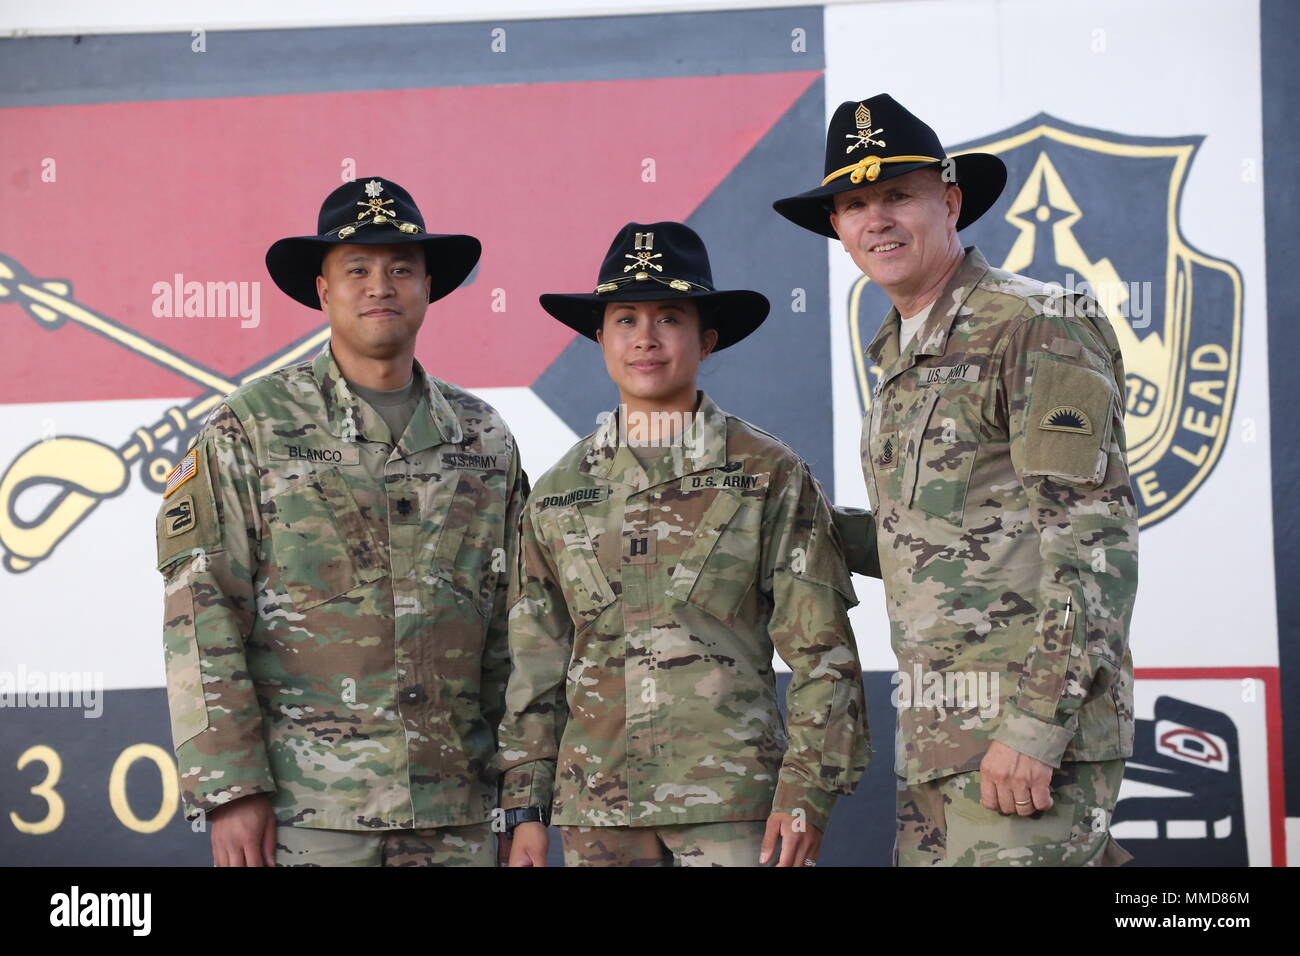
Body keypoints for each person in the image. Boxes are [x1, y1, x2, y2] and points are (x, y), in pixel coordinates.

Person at [774, 95, 1137, 866]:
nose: (878, 219)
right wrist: (784, 518)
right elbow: (936, 540)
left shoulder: (1036, 323)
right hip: (941, 740)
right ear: (838, 231)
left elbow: (1093, 549)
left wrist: (1035, 728)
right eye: (855, 204)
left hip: (1026, 744)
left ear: (949, 201)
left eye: (898, 195)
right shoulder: (901, 353)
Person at [155, 177, 527, 866]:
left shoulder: (484, 439)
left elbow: (518, 628)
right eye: (356, 268)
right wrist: (230, 790)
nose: (379, 286)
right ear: (323, 291)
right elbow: (201, 613)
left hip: (459, 812)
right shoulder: (252, 429)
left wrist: (524, 793)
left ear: (428, 287)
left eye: (400, 269)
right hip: (310, 813)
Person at [495, 221, 868, 867]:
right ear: (600, 337)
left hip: (736, 806)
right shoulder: (556, 495)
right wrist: (524, 805)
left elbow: (821, 652)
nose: (645, 337)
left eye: (669, 316)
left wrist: (808, 789)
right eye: (625, 319)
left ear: (707, 339)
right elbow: (534, 668)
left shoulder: (766, 474)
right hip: (599, 811)